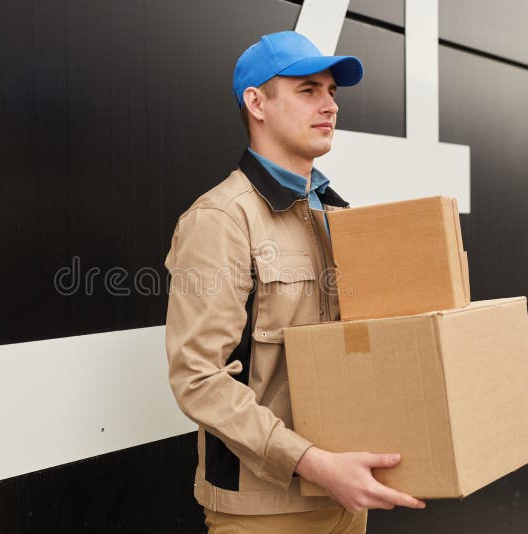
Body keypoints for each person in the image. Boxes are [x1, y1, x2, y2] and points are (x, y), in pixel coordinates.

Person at [164, 31, 426, 533]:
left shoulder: (336, 213)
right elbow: (198, 379)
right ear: (256, 103)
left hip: (348, 497)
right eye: (308, 90)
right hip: (266, 512)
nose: (330, 105)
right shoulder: (221, 219)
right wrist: (313, 463)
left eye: (332, 92)